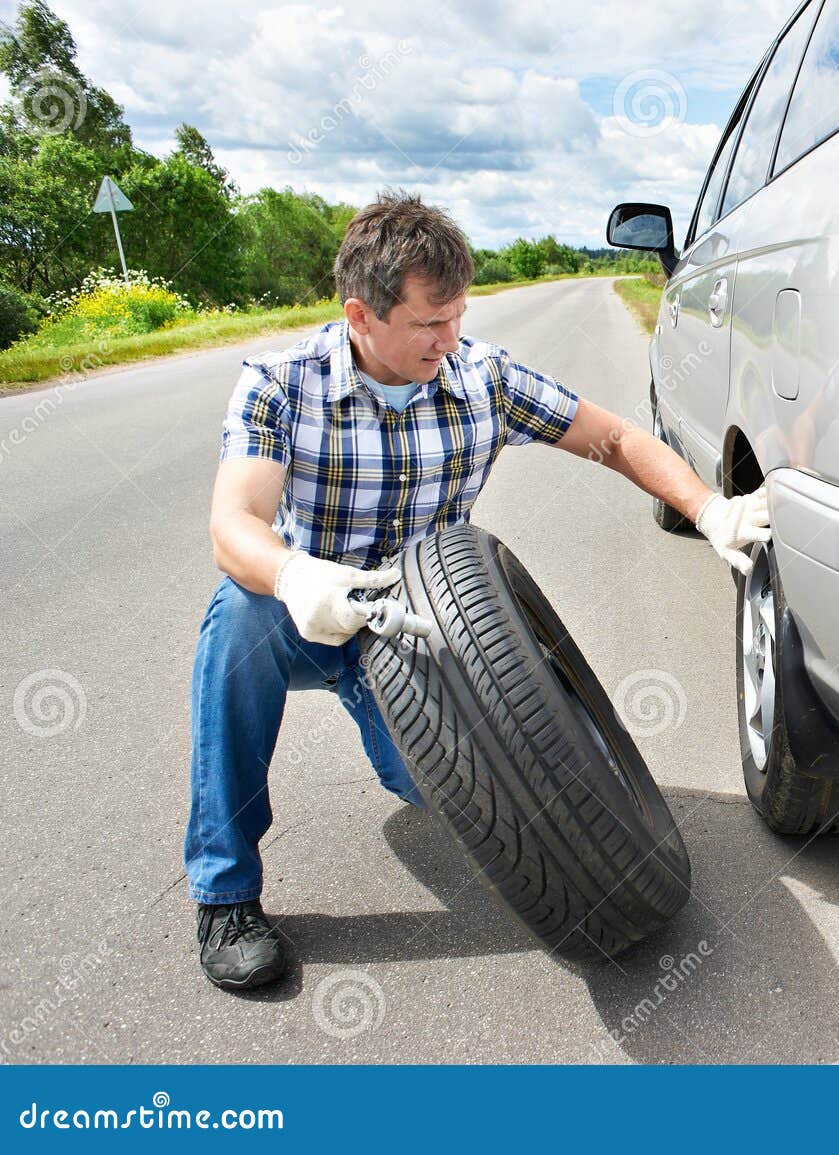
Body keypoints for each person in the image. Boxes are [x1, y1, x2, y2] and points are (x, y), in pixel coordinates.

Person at [186, 192, 768, 990]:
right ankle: (225, 892)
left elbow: (618, 437)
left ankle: (391, 727)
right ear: (361, 314)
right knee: (236, 622)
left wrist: (708, 508)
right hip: (307, 605)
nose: (448, 339)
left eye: (456, 315)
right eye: (428, 323)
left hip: (410, 628)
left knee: (427, 784)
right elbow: (234, 524)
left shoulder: (481, 378)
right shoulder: (281, 384)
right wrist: (293, 574)